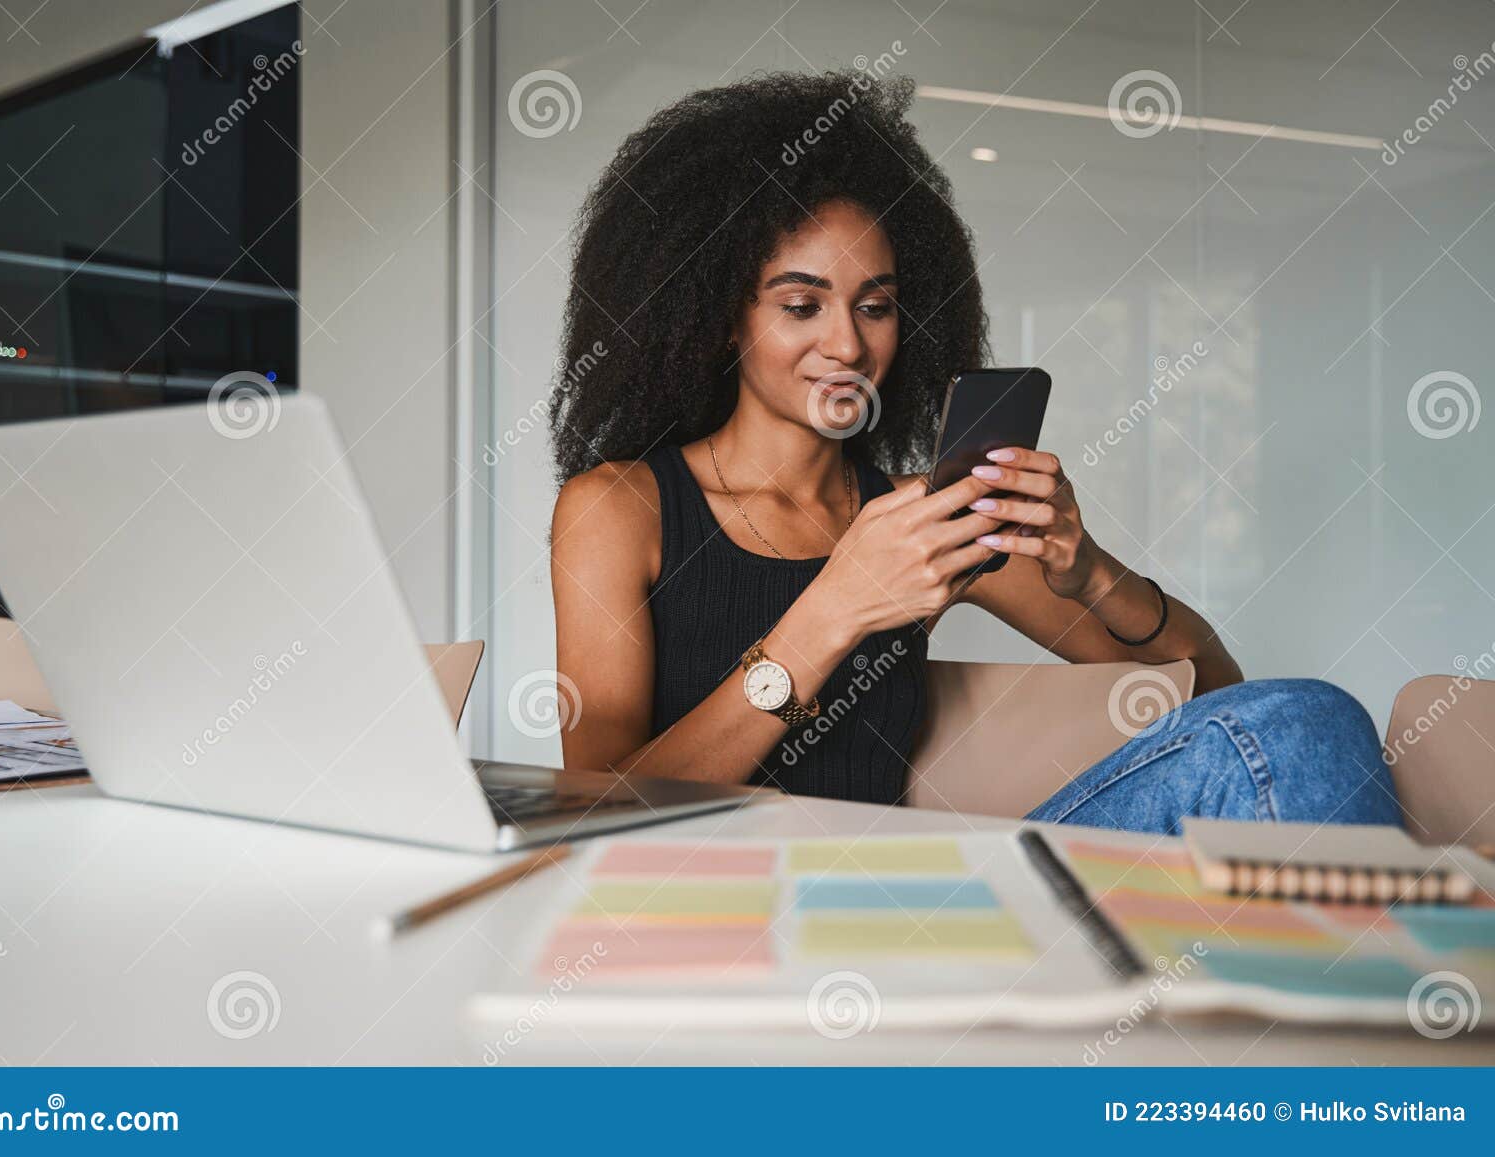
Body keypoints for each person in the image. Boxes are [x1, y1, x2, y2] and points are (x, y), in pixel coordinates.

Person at [545, 72, 1400, 835]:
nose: (847, 343)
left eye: (875, 306)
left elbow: (1219, 695)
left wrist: (1089, 573)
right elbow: (598, 811)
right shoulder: (618, 510)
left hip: (897, 898)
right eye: (802, 306)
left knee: (1309, 717)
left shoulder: (928, 519)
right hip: (705, 905)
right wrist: (833, 610)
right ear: (718, 318)